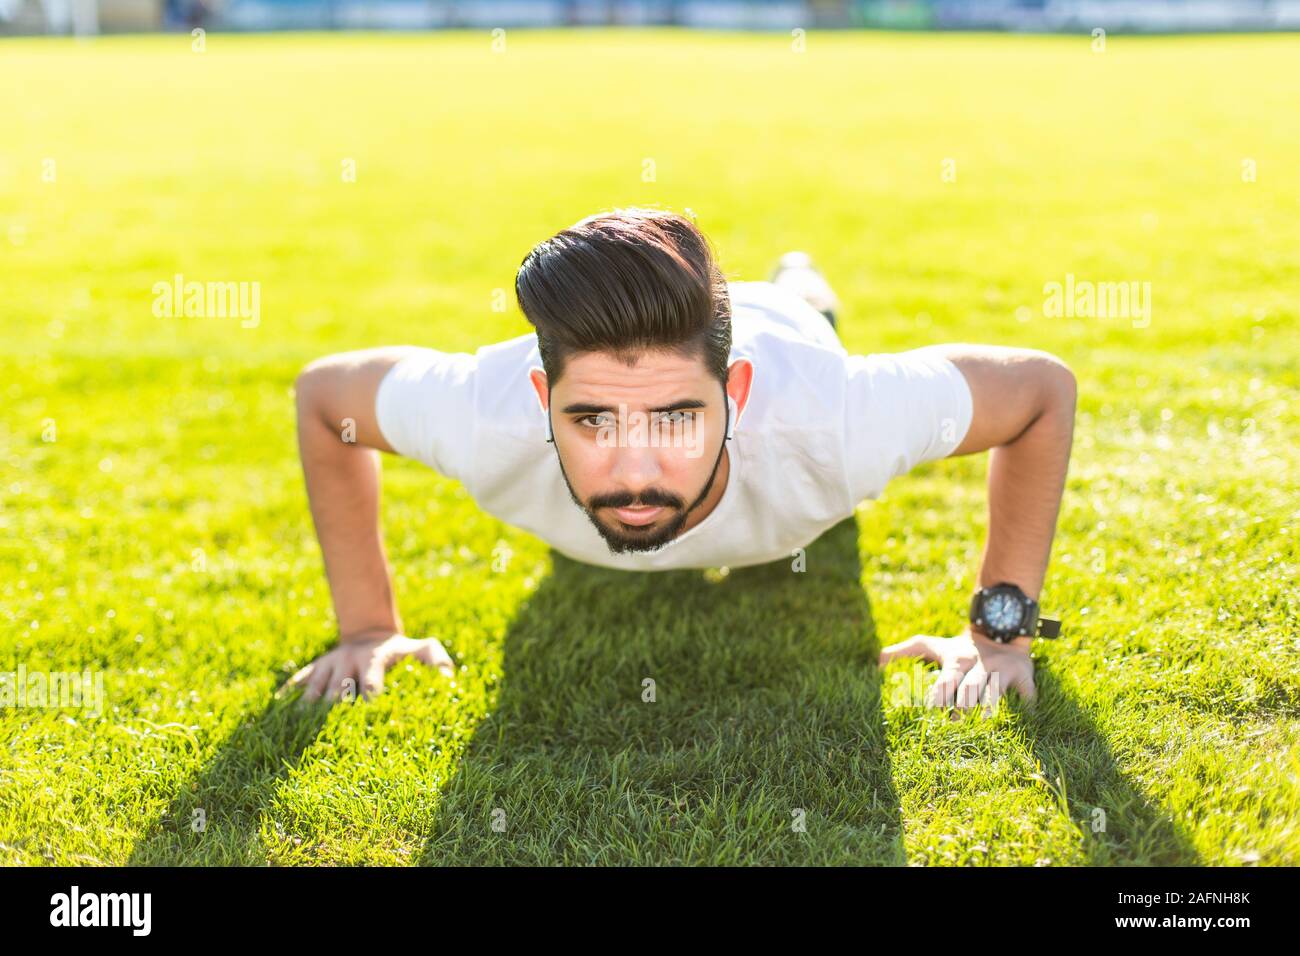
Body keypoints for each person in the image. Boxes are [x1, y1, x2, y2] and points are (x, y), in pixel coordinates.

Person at [287, 206, 1076, 713]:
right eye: (591, 418)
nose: (634, 472)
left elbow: (1041, 392)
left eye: (676, 418)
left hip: (785, 334)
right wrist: (366, 631)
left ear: (734, 392)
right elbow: (326, 400)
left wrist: (998, 635)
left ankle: (800, 283)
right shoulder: (481, 413)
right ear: (539, 397)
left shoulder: (836, 419)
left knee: (806, 310)